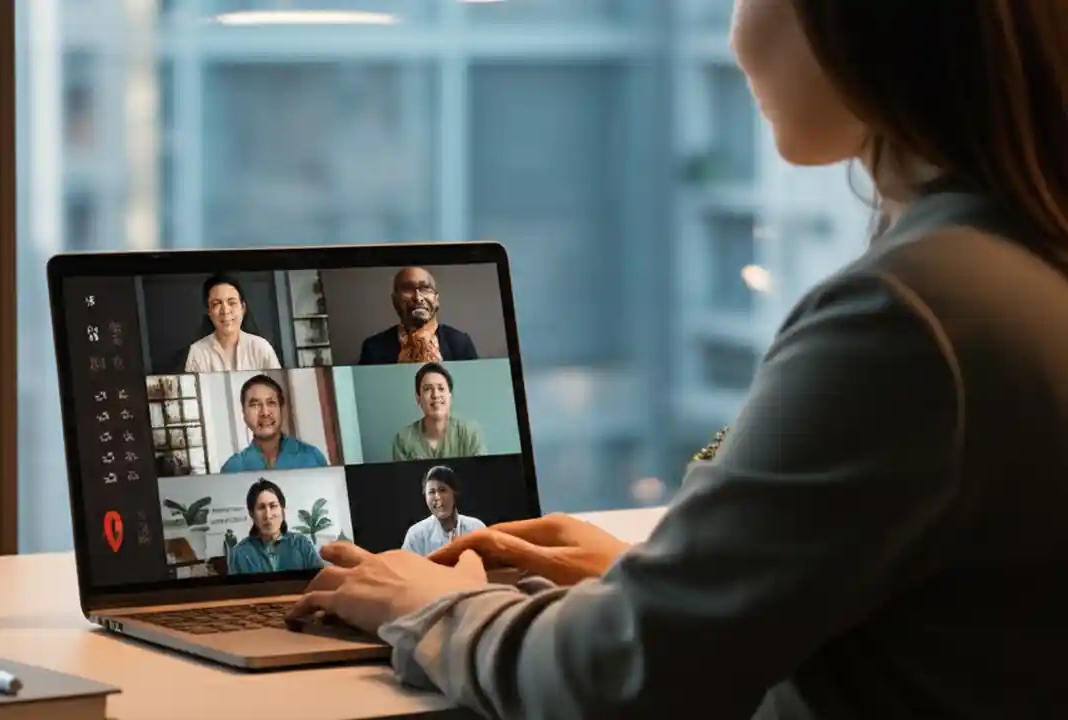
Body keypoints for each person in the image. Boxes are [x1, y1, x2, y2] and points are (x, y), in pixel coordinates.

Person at [285, 1, 1068, 717]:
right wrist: (677, 582)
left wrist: (428, 608)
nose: (735, 35)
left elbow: (617, 680)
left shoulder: (912, 317)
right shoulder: (1016, 262)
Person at [358, 267, 479, 365]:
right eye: (408, 289)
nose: (418, 298)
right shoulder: (374, 348)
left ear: (436, 300)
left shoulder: (460, 343)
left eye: (425, 289)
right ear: (395, 300)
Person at [221, 375, 328, 473]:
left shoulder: (312, 457)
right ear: (244, 414)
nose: (265, 413)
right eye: (255, 405)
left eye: (271, 403)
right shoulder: (233, 467)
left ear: (281, 409)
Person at [184, 274, 281, 373]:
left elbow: (276, 386)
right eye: (216, 304)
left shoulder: (261, 347)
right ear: (209, 312)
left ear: (243, 308)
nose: (225, 311)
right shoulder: (198, 352)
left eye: (232, 303)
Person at [227, 478, 324, 574]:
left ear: (282, 510)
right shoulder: (240, 553)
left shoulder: (301, 544)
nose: (268, 515)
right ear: (252, 514)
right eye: (261, 508)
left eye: (273, 506)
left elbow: (321, 581)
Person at [392, 363, 485, 461]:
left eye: (441, 388)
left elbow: (481, 474)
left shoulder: (470, 434)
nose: (435, 395)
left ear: (450, 396)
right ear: (418, 398)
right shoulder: (403, 440)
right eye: (427, 389)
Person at [402, 466, 486, 557]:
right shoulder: (416, 535)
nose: (438, 497)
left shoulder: (476, 528)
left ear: (454, 493)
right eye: (431, 492)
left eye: (442, 490)